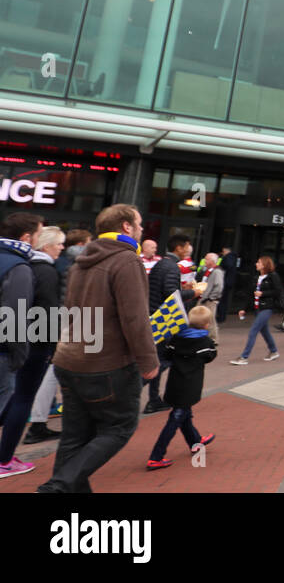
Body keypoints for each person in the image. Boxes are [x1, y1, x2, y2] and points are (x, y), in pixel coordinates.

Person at [37, 204, 158, 493]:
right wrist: (148, 360)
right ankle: (57, 486)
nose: (142, 229)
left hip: (69, 359)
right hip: (107, 364)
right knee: (119, 429)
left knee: (74, 438)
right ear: (126, 227)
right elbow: (134, 318)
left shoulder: (82, 261)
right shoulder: (127, 260)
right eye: (139, 224)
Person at [0, 222, 60, 478]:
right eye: (58, 243)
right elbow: (41, 312)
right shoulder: (38, 269)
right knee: (20, 399)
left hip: (17, 344)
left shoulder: (19, 263)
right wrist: (45, 347)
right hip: (27, 346)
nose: (61, 248)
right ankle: (4, 459)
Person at [146, 305, 216, 470]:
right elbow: (210, 356)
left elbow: (168, 354)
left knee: (184, 415)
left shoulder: (176, 338)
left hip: (175, 382)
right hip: (190, 385)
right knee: (177, 417)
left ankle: (196, 442)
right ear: (206, 325)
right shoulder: (206, 342)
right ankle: (156, 456)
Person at [0, 212, 41, 431]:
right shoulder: (18, 267)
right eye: (38, 235)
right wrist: (19, 355)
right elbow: (14, 315)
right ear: (26, 238)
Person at [144, 235, 190, 414]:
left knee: (158, 359)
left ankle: (154, 400)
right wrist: (193, 292)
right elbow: (172, 295)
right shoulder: (171, 266)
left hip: (154, 315)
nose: (188, 249)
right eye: (186, 246)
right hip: (163, 319)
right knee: (163, 361)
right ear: (179, 248)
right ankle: (133, 389)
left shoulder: (161, 264)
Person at [230, 257, 284, 365]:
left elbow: (278, 291)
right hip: (257, 308)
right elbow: (250, 294)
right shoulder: (257, 277)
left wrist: (263, 294)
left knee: (253, 330)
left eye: (259, 262)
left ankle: (244, 357)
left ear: (264, 264)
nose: (256, 264)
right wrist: (243, 309)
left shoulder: (273, 276)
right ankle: (273, 351)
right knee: (264, 331)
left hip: (267, 308)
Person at [197, 252, 224, 342]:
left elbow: (219, 286)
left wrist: (211, 297)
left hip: (209, 299)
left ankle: (213, 338)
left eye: (207, 259)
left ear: (212, 261)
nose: (205, 260)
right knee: (200, 317)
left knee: (210, 319)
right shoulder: (207, 270)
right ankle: (201, 335)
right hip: (203, 297)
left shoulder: (217, 271)